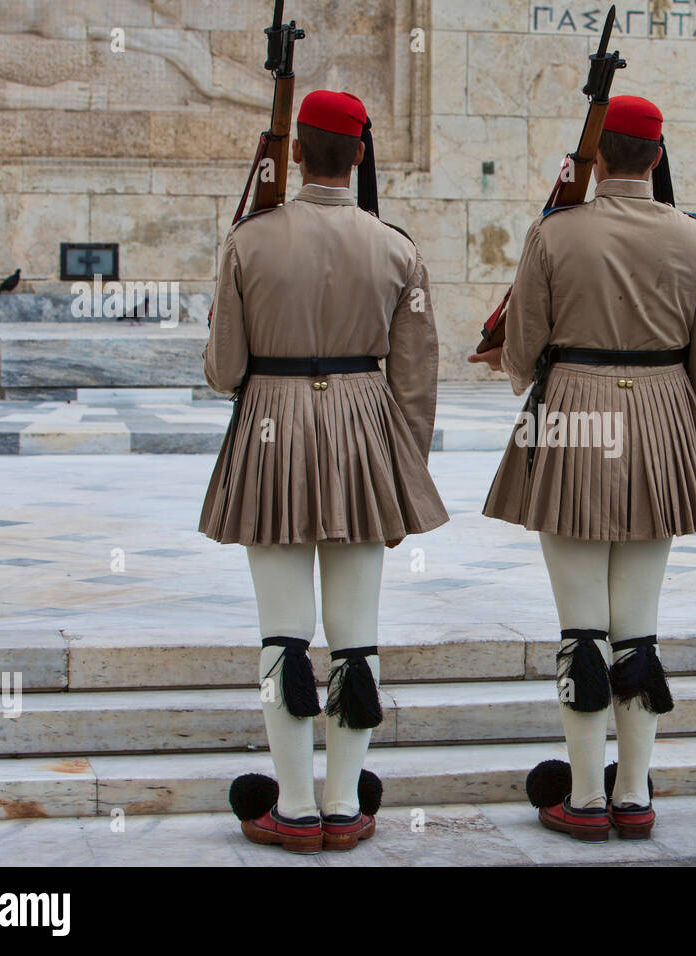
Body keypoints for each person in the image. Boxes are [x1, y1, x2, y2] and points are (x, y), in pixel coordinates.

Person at [470, 95, 696, 842]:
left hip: (571, 421)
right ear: (656, 157)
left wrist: (517, 361)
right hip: (661, 423)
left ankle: (585, 797)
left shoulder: (555, 233)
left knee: (580, 627)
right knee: (638, 630)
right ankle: (635, 793)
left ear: (599, 157)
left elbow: (523, 357)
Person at [200, 89, 447, 853]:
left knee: (281, 635)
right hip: (362, 428)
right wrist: (400, 473)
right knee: (356, 638)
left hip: (271, 428)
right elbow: (416, 379)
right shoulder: (398, 248)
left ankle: (294, 808)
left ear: (296, 153)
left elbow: (222, 371)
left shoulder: (248, 241)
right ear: (361, 155)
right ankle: (344, 805)